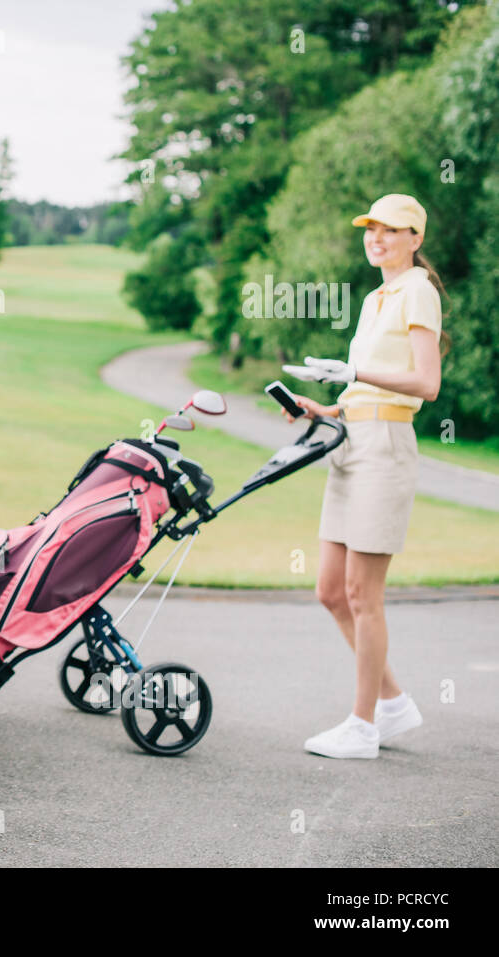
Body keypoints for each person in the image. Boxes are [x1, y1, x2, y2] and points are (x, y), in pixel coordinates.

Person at [283, 193, 443, 759]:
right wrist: (321, 407)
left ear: (414, 239)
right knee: (331, 590)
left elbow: (427, 383)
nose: (377, 239)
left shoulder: (417, 291)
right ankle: (395, 704)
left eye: (391, 231)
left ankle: (362, 725)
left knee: (362, 593)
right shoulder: (376, 298)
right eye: (371, 230)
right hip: (351, 440)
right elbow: (365, 385)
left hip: (387, 447)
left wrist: (353, 370)